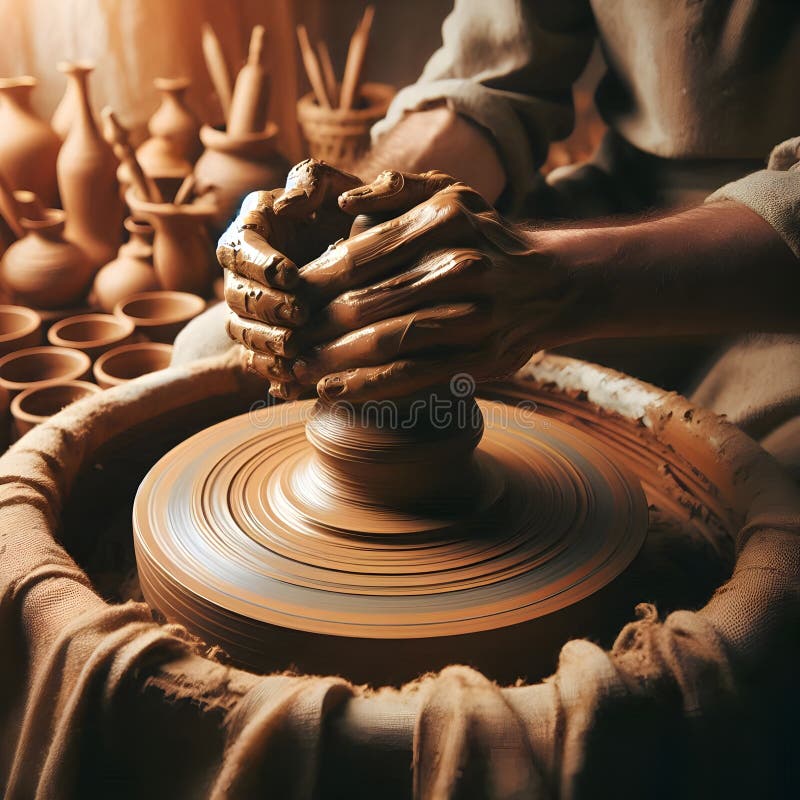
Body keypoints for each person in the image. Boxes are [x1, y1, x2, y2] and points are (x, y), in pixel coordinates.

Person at [205, 1, 800, 473]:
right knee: (213, 348)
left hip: (773, 269)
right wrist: (358, 219)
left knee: (772, 491)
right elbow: (493, 82)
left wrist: (560, 282)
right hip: (628, 200)